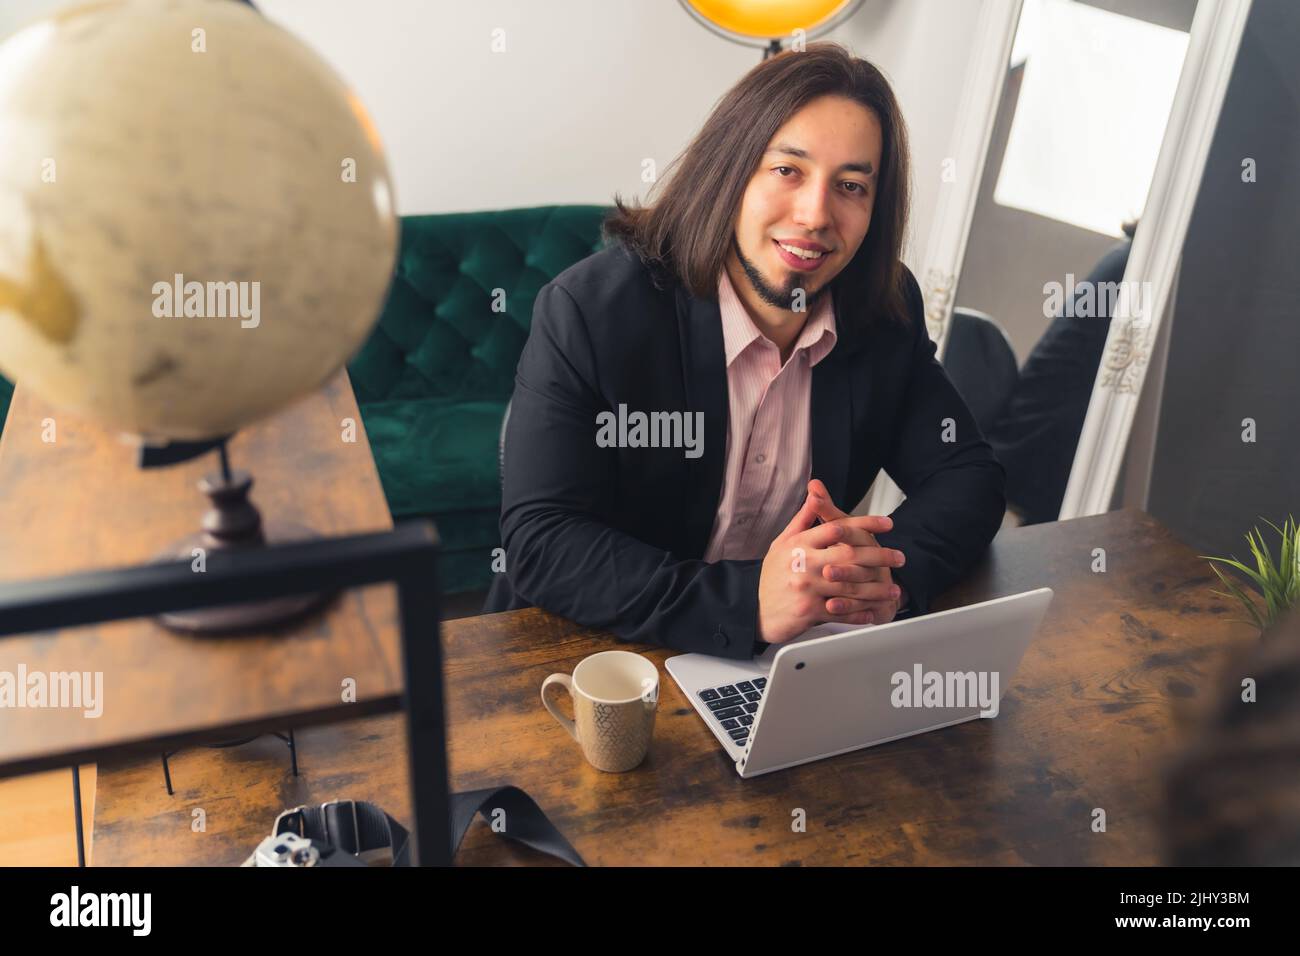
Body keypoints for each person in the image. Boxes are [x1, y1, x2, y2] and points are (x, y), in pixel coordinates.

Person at [484, 43, 1005, 659]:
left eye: (852, 185)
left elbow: (967, 475)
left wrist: (878, 580)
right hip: (589, 657)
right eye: (788, 170)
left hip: (782, 657)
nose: (815, 214)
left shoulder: (883, 311)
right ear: (731, 172)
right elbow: (544, 542)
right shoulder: (593, 312)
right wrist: (747, 604)